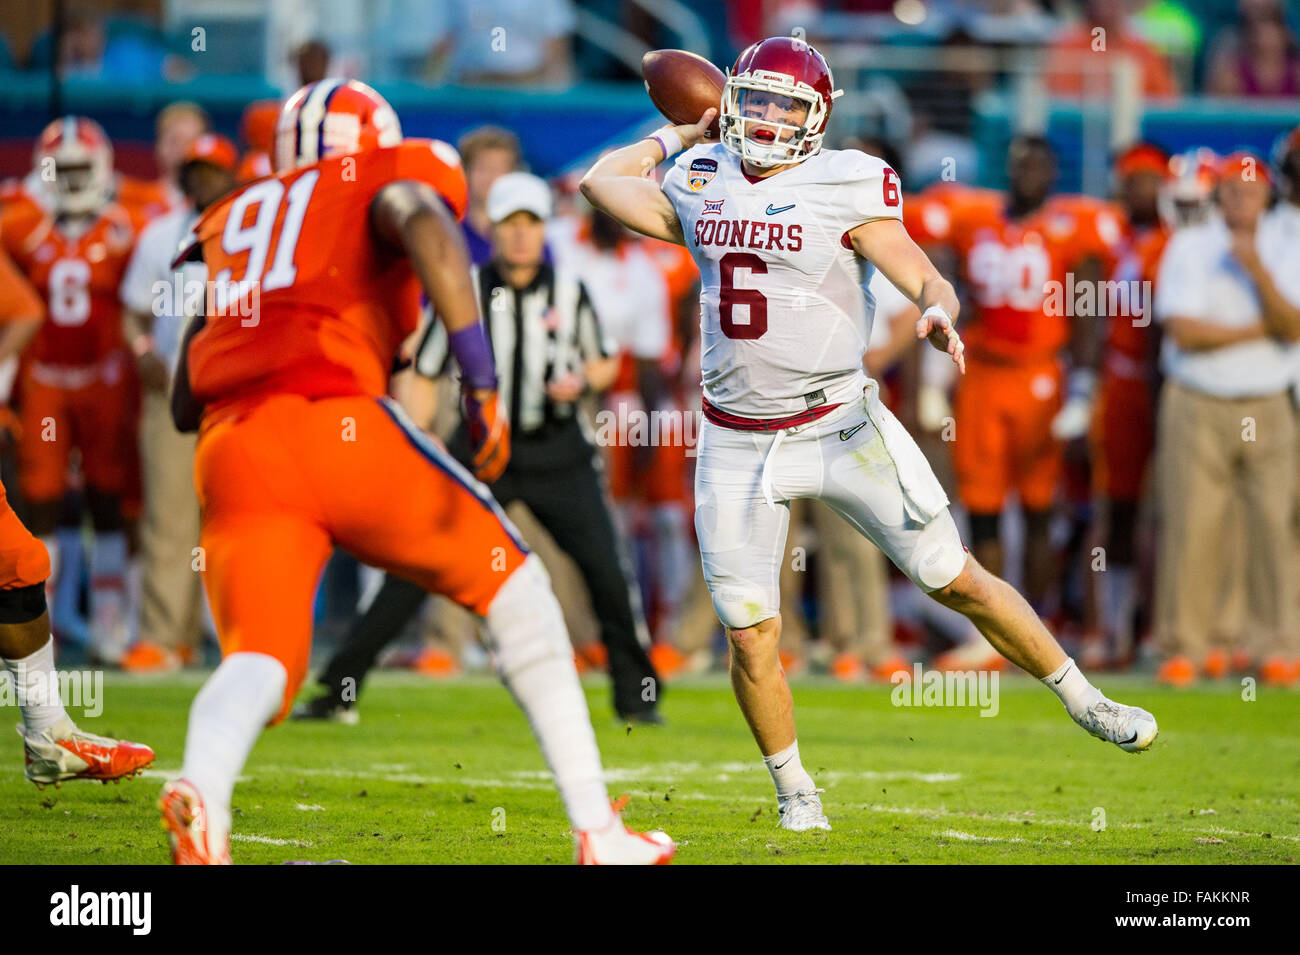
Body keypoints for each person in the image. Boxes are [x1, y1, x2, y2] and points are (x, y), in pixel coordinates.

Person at [581, 37, 1159, 832]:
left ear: (816, 118)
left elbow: (920, 266)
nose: (768, 118)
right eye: (755, 100)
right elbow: (598, 181)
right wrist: (684, 130)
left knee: (953, 575)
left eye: (788, 105)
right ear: (733, 100)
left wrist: (935, 307)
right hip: (737, 440)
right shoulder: (699, 176)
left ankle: (1085, 697)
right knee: (751, 633)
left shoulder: (844, 180)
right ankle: (797, 794)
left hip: (839, 422)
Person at [158, 79, 673, 865]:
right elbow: (426, 222)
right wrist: (483, 379)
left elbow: (184, 398)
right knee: (517, 587)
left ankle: (203, 790)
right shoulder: (384, 179)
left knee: (258, 657)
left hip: (231, 447)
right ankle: (599, 833)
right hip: (331, 414)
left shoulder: (239, 215)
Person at [296, 171, 663, 724]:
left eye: (531, 224)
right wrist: (413, 441)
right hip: (477, 450)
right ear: (492, 228)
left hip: (557, 449)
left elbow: (604, 359)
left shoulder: (569, 290)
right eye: (510, 223)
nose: (520, 236)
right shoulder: (462, 286)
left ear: (544, 230)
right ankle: (337, 691)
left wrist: (582, 382)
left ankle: (637, 700)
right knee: (413, 567)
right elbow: (424, 369)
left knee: (606, 573)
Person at [0, 242, 154, 786]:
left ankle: (50, 736)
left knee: (18, 563)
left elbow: (22, 310)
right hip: (54, 384)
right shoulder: (26, 220)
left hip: (92, 378)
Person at [1152, 151, 1300, 688]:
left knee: (1273, 528)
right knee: (1193, 526)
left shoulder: (1288, 241)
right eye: (1233, 192)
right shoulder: (1191, 244)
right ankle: (1188, 645)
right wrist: (1261, 329)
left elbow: (1294, 325)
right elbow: (1185, 331)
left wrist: (1255, 266)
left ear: (1268, 195)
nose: (1241, 201)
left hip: (1268, 399)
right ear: (1219, 196)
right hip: (1201, 396)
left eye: (1251, 191)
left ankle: (1275, 644)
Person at [0, 118, 139, 665]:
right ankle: (44, 630)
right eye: (66, 169)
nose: (76, 179)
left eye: (85, 168)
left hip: (105, 376)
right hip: (44, 380)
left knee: (109, 497)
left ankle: (109, 623)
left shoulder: (129, 222)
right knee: (41, 501)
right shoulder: (24, 223)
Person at [117, 134, 240, 672]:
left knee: (238, 522)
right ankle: (165, 636)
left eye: (213, 171)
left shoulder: (249, 234)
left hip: (237, 394)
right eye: (195, 170)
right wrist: (143, 348)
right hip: (173, 391)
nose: (203, 180)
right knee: (169, 518)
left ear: (231, 175)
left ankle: (244, 638)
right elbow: (133, 311)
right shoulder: (160, 233)